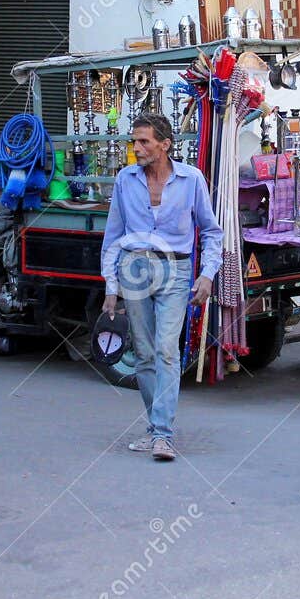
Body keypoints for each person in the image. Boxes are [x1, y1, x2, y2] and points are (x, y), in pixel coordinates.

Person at [99, 112, 223, 462]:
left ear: (164, 144)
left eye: (144, 142)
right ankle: (157, 428)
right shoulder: (125, 180)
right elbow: (113, 236)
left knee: (168, 349)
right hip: (134, 268)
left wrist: (208, 274)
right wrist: (111, 284)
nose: (136, 148)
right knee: (144, 353)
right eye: (134, 141)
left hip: (176, 270)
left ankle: (163, 435)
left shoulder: (191, 179)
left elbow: (212, 231)